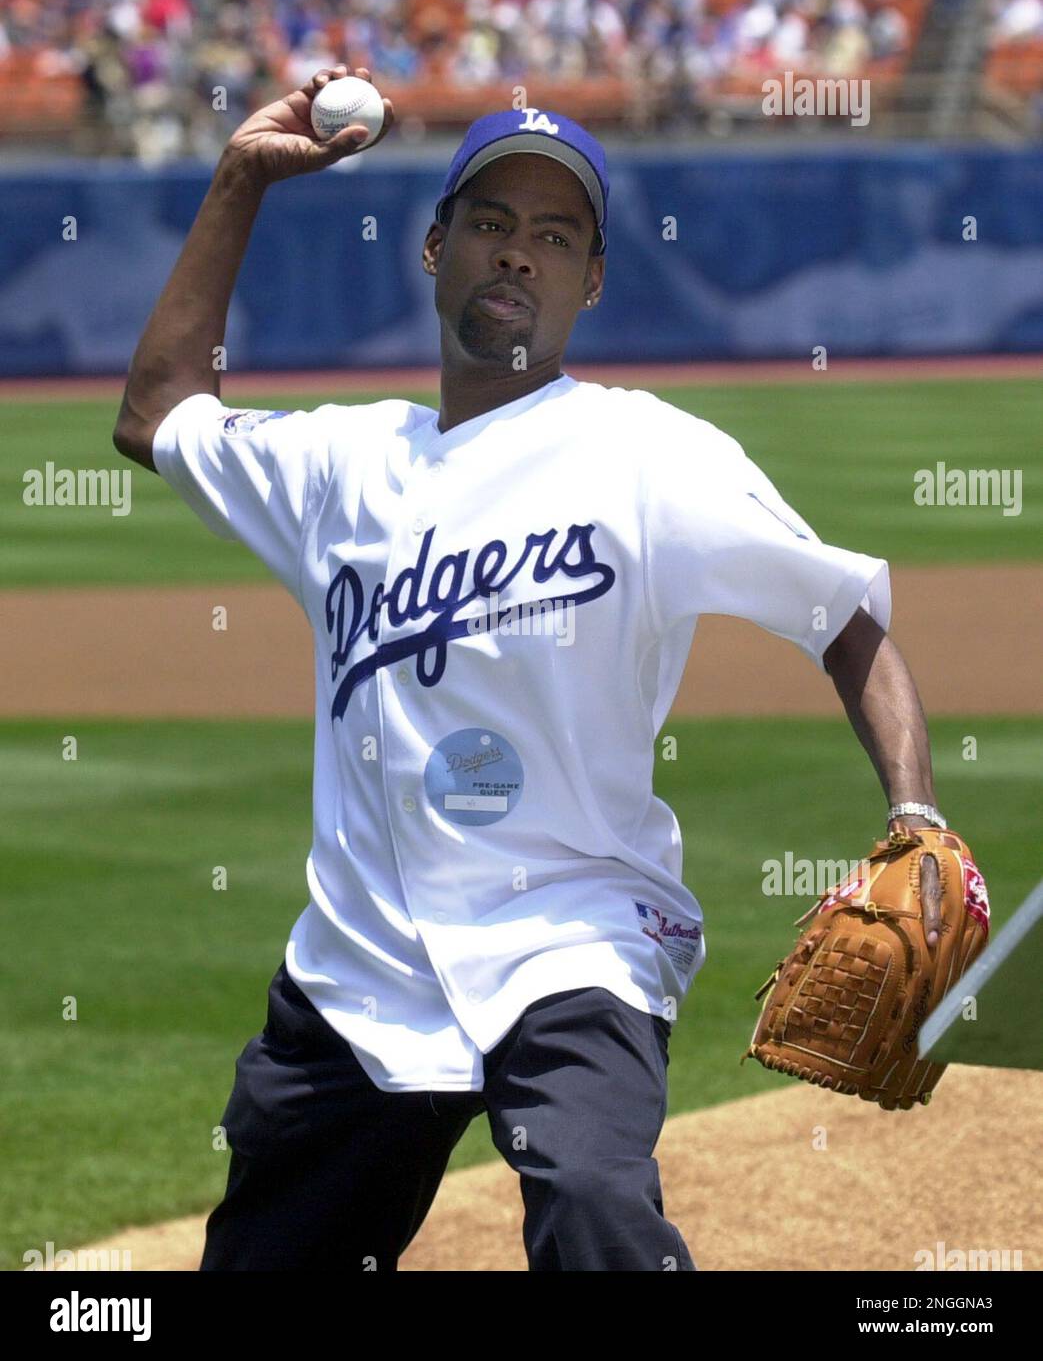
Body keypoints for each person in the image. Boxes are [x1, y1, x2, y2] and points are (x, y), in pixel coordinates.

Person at [113, 66, 945, 1272]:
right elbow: (156, 411)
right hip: (362, 965)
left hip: (576, 935)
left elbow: (843, 619)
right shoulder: (341, 464)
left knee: (597, 1205)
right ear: (435, 247)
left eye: (553, 236)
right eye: (491, 225)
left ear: (590, 279)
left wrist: (912, 812)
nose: (518, 255)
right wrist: (241, 177)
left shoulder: (648, 453)